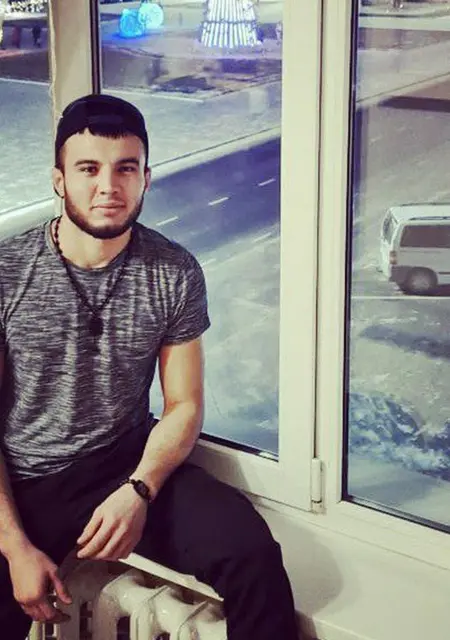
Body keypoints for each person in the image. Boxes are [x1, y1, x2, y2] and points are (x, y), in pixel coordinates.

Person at [0, 94, 300, 640]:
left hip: (124, 461)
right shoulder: (8, 272)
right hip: (26, 479)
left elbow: (184, 404)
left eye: (125, 168)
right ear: (59, 179)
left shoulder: (173, 270)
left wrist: (139, 488)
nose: (108, 186)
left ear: (146, 178)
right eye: (88, 169)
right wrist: (15, 545)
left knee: (251, 554)